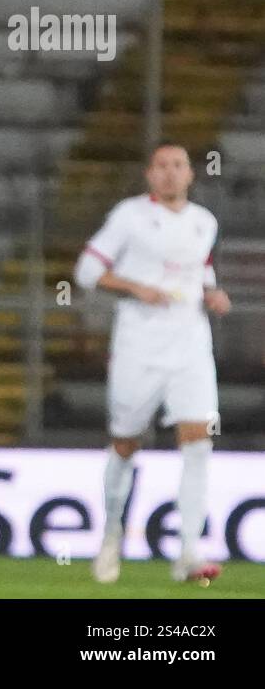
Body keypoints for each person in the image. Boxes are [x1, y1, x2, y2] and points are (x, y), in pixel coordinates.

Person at [73, 142, 230, 585]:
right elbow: (87, 270)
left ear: (190, 174)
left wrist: (211, 294)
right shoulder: (129, 216)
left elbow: (200, 274)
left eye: (178, 165)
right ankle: (111, 533)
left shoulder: (205, 223)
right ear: (149, 174)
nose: (169, 173)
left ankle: (188, 554)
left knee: (198, 439)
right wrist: (136, 288)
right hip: (138, 345)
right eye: (161, 166)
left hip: (190, 345)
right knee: (126, 442)